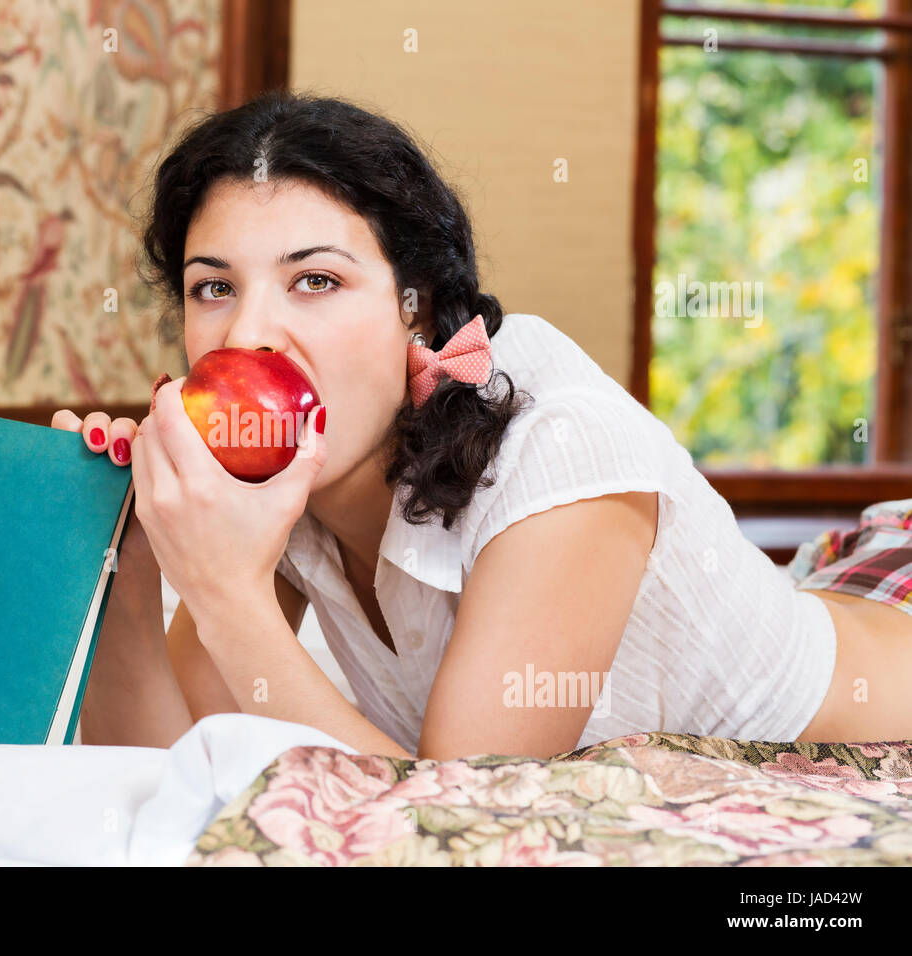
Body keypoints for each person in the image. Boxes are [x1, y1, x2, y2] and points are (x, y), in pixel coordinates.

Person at [58, 89, 912, 760]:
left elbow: (456, 829)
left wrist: (223, 592)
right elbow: (176, 763)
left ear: (417, 310)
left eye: (315, 280)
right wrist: (129, 577)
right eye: (215, 287)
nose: (248, 335)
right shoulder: (286, 480)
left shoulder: (562, 450)